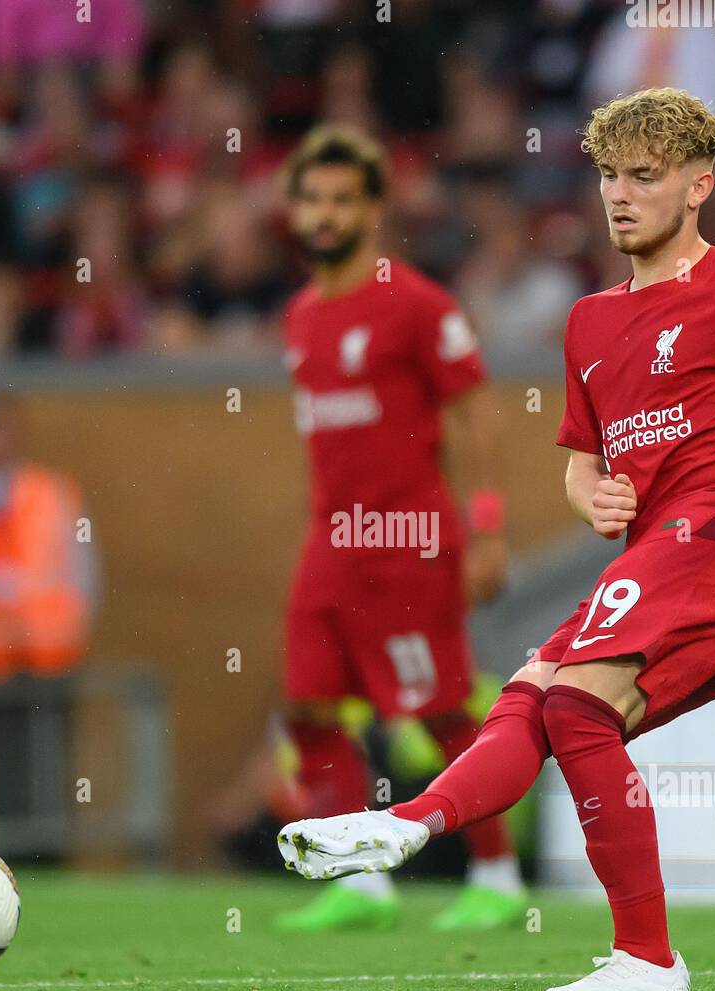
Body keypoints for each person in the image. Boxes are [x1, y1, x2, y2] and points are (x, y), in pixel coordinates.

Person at [277, 89, 715, 991]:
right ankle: (405, 829)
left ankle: (644, 956)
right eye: (608, 175)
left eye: (645, 175)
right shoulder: (589, 321)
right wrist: (590, 495)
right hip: (652, 557)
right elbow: (578, 462)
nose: (620, 194)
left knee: (569, 707)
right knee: (531, 698)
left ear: (698, 187)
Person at [275, 125, 524, 932]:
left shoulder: (416, 304)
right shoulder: (303, 316)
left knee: (441, 710)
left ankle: (497, 873)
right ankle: (362, 880)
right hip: (330, 545)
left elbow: (475, 414)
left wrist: (486, 529)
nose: (325, 213)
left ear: (373, 209)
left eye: (343, 199)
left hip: (408, 542)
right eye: (312, 198)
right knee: (309, 704)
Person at [0, 398, 94, 863]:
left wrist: (73, 628)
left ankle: (51, 860)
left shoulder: (52, 491)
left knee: (49, 767)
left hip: (50, 655)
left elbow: (84, 570)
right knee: (0, 768)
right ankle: (1, 861)